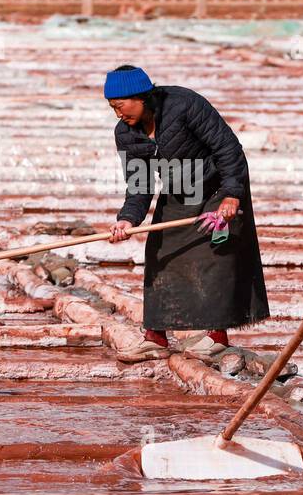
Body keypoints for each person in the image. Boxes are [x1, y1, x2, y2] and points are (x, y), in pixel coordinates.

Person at [105, 65, 269, 362]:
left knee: (215, 254)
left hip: (218, 187)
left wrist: (232, 195)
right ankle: (155, 336)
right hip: (180, 189)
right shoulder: (126, 133)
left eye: (120, 106)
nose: (118, 114)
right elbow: (139, 183)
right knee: (160, 254)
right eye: (112, 108)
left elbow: (228, 149)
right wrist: (127, 219)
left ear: (141, 97)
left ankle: (216, 336)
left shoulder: (185, 105)